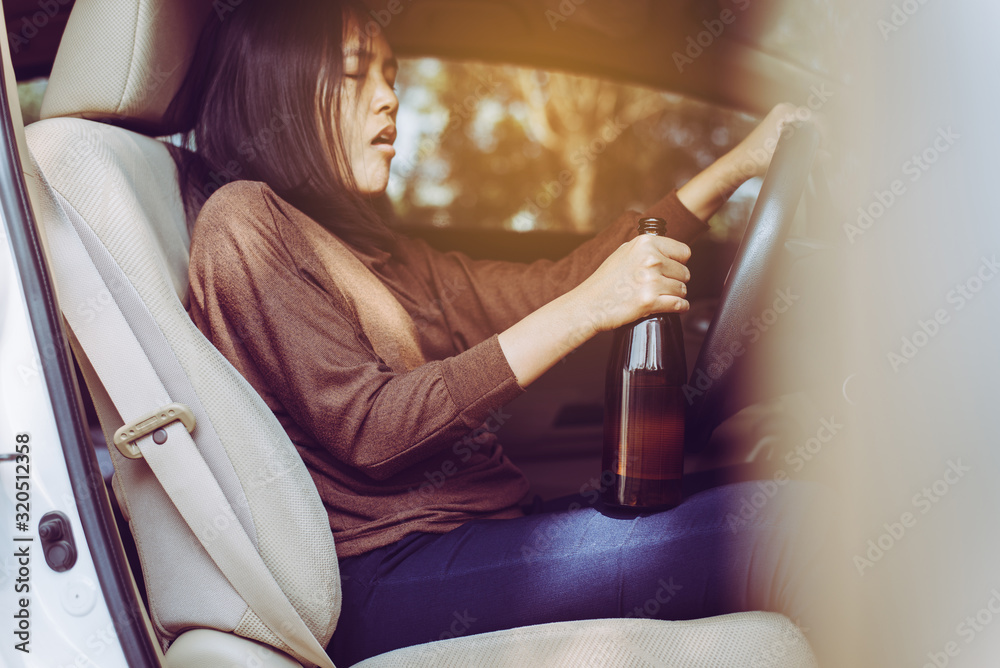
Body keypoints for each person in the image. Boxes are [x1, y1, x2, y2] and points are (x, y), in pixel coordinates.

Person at [168, 0, 835, 664]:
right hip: (390, 577)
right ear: (274, 87)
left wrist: (740, 165)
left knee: (760, 489)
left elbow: (563, 282)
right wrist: (588, 309)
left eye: (392, 77)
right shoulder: (245, 223)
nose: (388, 100)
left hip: (477, 534)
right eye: (354, 74)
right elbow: (373, 431)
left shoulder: (386, 254)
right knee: (789, 526)